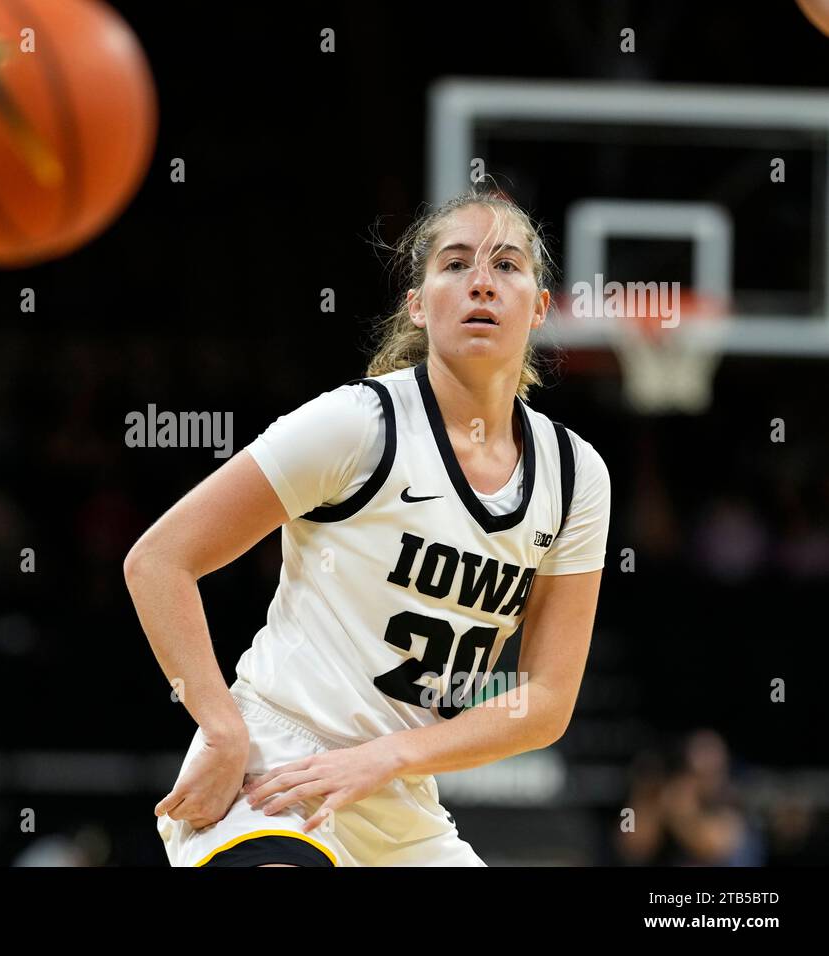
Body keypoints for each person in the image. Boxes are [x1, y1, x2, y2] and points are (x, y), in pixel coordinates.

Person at [125, 188, 611, 866]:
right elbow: (158, 560)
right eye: (455, 263)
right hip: (277, 767)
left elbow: (546, 701)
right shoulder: (359, 425)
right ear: (417, 304)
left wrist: (389, 758)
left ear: (539, 307)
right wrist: (221, 726)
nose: (481, 282)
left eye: (506, 265)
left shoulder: (575, 474)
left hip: (396, 792)